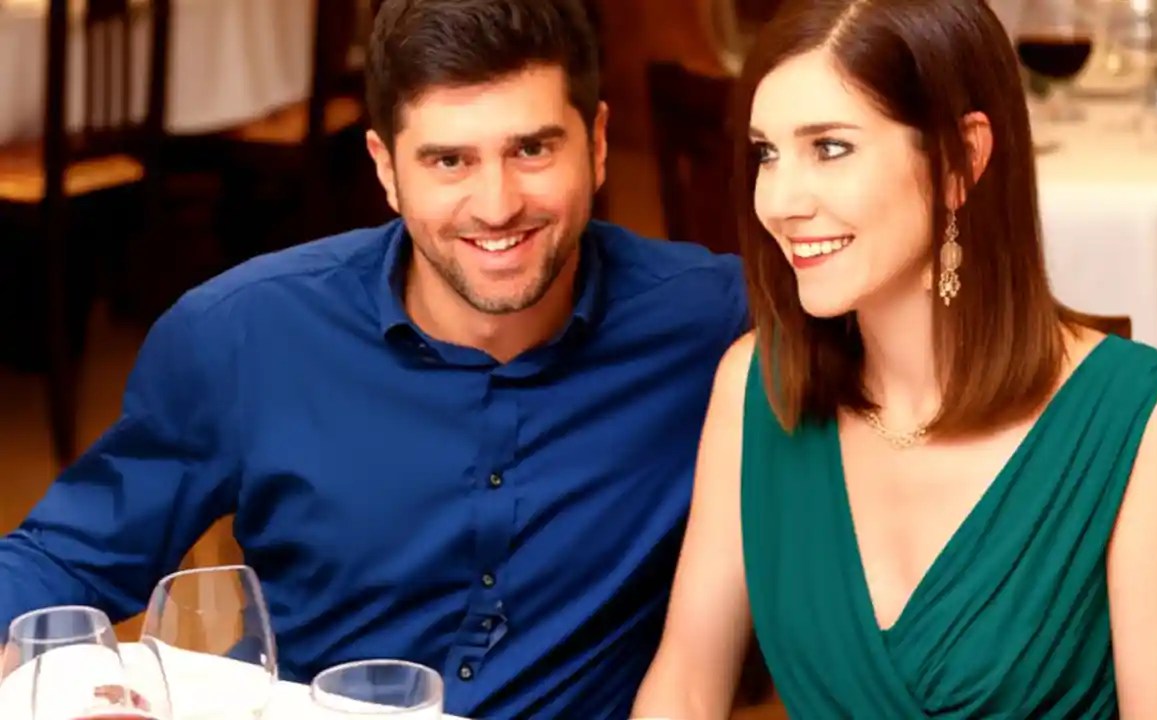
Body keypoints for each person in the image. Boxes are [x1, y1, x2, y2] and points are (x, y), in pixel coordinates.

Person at [0, 0, 748, 717]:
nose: (496, 204)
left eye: (532, 148)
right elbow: (62, 561)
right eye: (449, 160)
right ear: (386, 169)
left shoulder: (713, 324)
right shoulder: (242, 334)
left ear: (599, 142)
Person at [632, 0, 1157, 717]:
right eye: (767, 153)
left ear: (959, 160)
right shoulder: (757, 386)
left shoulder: (1140, 423)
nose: (779, 201)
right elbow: (688, 686)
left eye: (829, 147)